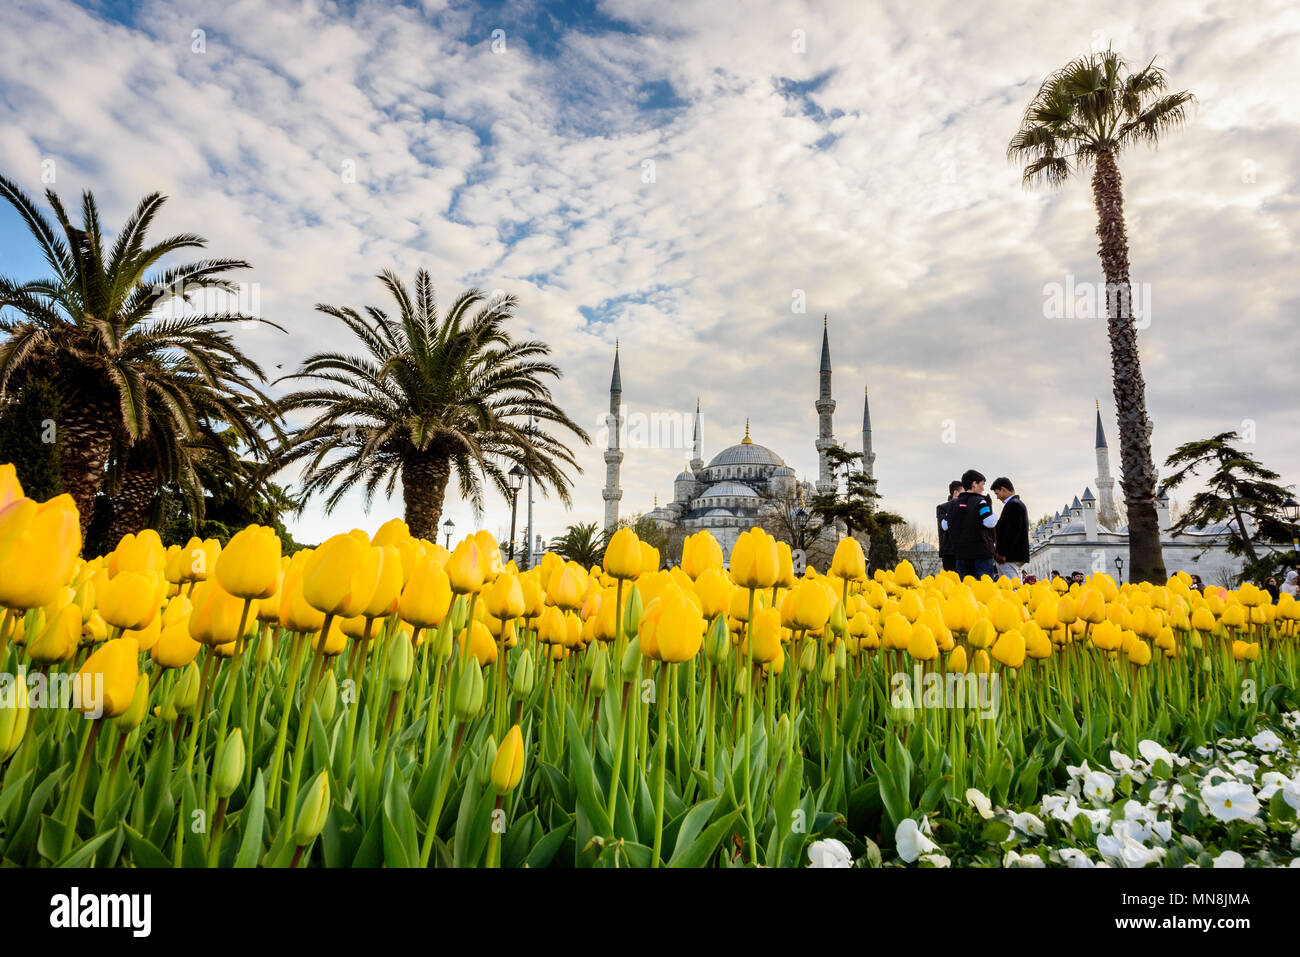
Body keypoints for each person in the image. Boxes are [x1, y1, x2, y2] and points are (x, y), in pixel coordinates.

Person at [942, 469, 997, 579]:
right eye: (982, 484)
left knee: (966, 589)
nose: (983, 488)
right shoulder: (981, 502)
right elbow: (989, 522)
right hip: (981, 553)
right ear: (974, 484)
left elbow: (944, 525)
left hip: (961, 554)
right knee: (984, 589)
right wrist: (991, 510)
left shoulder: (952, 505)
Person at [991, 477, 1029, 582]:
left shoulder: (1013, 505)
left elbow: (1013, 531)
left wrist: (1003, 552)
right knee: (1015, 584)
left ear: (1003, 489)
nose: (997, 497)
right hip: (1015, 554)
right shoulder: (1016, 504)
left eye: (997, 493)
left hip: (1010, 556)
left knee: (1011, 587)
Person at [936, 480, 962, 572]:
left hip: (964, 551)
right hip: (949, 552)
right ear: (956, 493)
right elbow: (945, 526)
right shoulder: (943, 508)